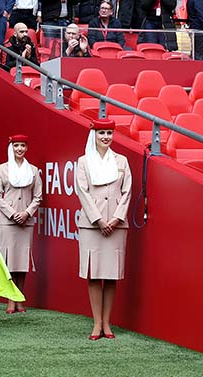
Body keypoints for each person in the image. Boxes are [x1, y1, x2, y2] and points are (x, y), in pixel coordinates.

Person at [75, 118, 131, 340]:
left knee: (110, 275)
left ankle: (107, 322)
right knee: (94, 273)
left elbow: (127, 192)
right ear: (93, 135)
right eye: (101, 133)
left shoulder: (122, 161)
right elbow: (82, 191)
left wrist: (117, 218)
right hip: (91, 225)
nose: (106, 137)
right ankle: (96, 323)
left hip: (117, 225)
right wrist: (98, 220)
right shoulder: (83, 162)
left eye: (109, 132)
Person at [0, 134, 42, 314]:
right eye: (16, 145)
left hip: (26, 222)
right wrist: (13, 214)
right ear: (11, 147)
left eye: (22, 146)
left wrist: (27, 213)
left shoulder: (34, 171)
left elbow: (38, 197)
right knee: (9, 262)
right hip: (7, 222)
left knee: (22, 263)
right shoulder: (2, 169)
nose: (19, 149)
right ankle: (10, 300)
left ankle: (20, 299)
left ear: (26, 148)